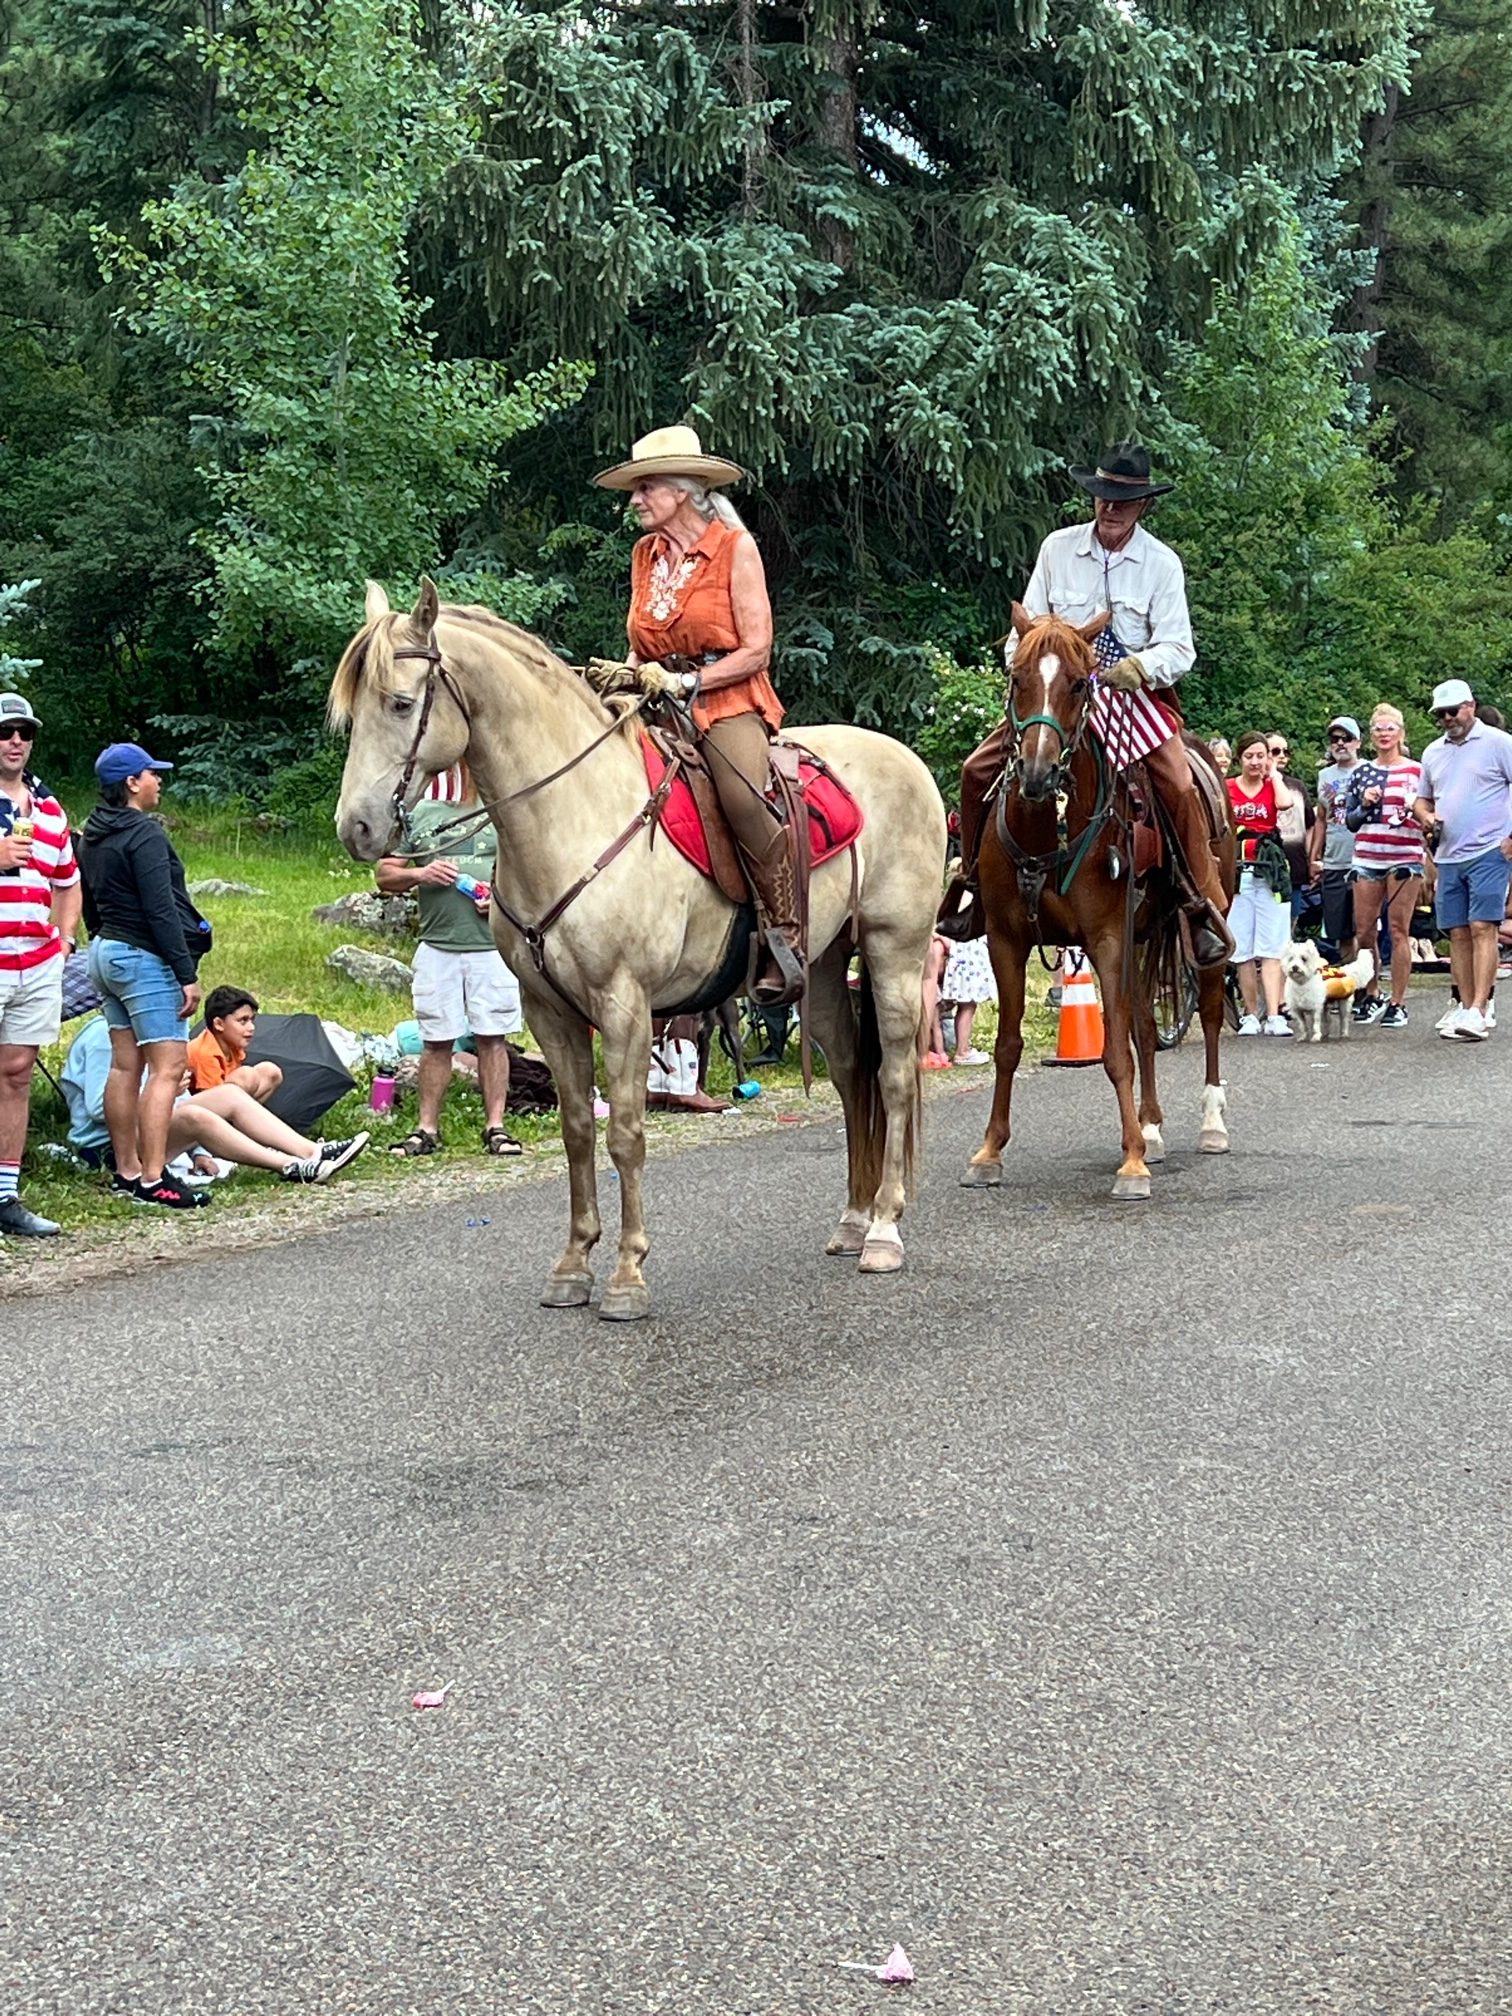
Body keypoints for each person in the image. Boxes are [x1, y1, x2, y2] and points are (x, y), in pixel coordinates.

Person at [940, 442, 1232, 966]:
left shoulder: (1162, 565)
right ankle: (972, 883)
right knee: (975, 768)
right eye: (1101, 497)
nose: (1109, 508)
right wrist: (1032, 659)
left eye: (1122, 500)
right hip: (1058, 697)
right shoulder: (1057, 549)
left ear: (1144, 505)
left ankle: (1196, 903)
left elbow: (1179, 647)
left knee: (1182, 785)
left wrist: (1140, 666)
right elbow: (1022, 631)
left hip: (1131, 700)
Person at [593, 425, 802, 1005]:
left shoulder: (736, 548)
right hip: (655, 697)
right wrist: (627, 671)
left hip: (726, 700)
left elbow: (757, 649)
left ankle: (783, 933)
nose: (635, 499)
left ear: (683, 491)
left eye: (646, 487)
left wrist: (686, 680)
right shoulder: (646, 553)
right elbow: (645, 637)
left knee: (740, 795)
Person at [78, 741, 213, 1209]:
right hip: (142, 957)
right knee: (167, 1067)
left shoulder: (92, 832)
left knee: (123, 1065)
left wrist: (101, 936)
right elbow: (161, 910)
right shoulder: (144, 833)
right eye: (153, 773)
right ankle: (155, 1179)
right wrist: (185, 971)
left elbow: (88, 896)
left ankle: (126, 1169)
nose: (160, 780)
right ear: (132, 783)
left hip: (105, 952)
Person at [375, 763, 524, 1157]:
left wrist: (501, 899)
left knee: (493, 1038)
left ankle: (496, 1126)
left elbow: (530, 872)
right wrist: (422, 874)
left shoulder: (501, 809)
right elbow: (384, 874)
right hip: (437, 944)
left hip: (491, 946)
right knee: (436, 1040)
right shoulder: (423, 812)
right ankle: (427, 1129)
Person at [62, 1016, 368, 1182]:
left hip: (146, 1133)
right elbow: (100, 1109)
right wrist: (161, 1095)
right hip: (108, 1147)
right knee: (197, 1117)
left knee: (229, 1095)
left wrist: (195, 1153)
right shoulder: (105, 1037)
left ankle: (312, 1151)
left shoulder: (145, 1037)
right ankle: (289, 1165)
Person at [0, 691, 82, 1236]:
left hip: (37, 960)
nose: (15, 742)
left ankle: (5, 1194)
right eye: (5, 732)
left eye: (25, 733)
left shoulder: (49, 809)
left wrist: (66, 941)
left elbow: (68, 882)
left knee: (17, 1072)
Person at [1414, 678, 1512, 1042]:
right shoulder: (1433, 752)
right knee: (1456, 931)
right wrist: (1426, 818)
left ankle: (1480, 1009)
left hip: (1489, 848)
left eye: (1453, 711)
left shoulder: (1499, 743)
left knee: (1482, 926)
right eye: (1441, 714)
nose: (1447, 719)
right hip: (1449, 853)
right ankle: (1466, 1003)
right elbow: (1422, 799)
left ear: (1471, 705)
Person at [1344, 704, 1423, 1028]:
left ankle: (1398, 1001)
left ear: (1401, 732)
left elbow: (1431, 812)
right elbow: (1350, 821)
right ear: (1370, 735)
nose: (1384, 734)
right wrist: (1364, 804)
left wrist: (1415, 809)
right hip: (1367, 855)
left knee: (1398, 929)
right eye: (1378, 729)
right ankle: (1373, 993)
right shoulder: (1360, 773)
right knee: (1364, 930)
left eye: (1390, 728)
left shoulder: (1417, 772)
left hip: (1404, 855)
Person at [1226, 731, 1295, 1035]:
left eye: (1261, 756)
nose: (1255, 762)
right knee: (1242, 947)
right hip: (1238, 872)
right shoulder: (1227, 788)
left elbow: (1284, 803)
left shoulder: (1271, 785)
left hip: (1269, 870)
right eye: (1249, 756)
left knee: (1272, 946)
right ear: (1240, 759)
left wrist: (1274, 774)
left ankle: (1275, 1013)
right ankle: (1251, 1013)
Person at [1308, 716, 1362, 962]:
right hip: (1334, 860)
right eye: (1334, 739)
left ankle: (1368, 988)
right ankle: (1350, 985)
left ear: (1358, 742)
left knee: (1365, 927)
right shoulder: (1324, 776)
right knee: (1339, 930)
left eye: (1346, 738)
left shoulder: (1368, 770)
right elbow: (1321, 818)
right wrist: (1314, 856)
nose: (1340, 744)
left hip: (1364, 859)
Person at [187, 986, 284, 1103]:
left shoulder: (232, 1045)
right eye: (243, 1021)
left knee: (270, 1072)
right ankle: (239, 1117)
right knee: (246, 1075)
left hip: (225, 1100)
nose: (251, 1027)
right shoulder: (204, 1052)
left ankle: (245, 1115)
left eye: (252, 1020)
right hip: (195, 1111)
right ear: (219, 1024)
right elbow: (211, 1098)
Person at [1266, 731, 1313, 924]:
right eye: (1276, 751)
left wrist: (1310, 858)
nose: (1282, 755)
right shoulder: (1255, 785)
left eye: (1286, 751)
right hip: (1265, 867)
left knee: (1290, 925)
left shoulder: (1297, 786)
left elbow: (1310, 825)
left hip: (1295, 867)